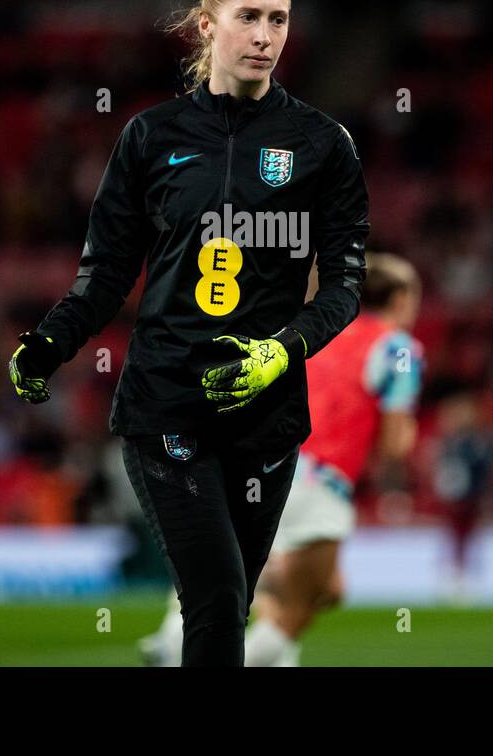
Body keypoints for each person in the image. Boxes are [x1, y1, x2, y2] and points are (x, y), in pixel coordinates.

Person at [9, 0, 369, 666]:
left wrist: (281, 350)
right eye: (249, 18)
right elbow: (106, 272)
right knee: (217, 600)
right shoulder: (151, 138)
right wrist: (51, 341)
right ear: (208, 25)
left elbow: (345, 285)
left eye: (279, 19)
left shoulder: (323, 145)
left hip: (266, 418)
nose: (266, 35)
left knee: (226, 608)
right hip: (166, 405)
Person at [139, 252, 423, 666]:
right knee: (299, 606)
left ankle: (172, 636)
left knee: (316, 585)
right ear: (399, 299)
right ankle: (179, 653)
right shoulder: (398, 348)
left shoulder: (314, 328)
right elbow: (395, 445)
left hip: (259, 459)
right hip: (318, 479)